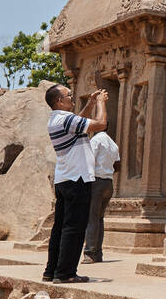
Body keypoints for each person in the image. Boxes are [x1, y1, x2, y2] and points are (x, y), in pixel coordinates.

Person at [43, 84, 107, 283]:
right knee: (75, 227)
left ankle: (51, 270)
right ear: (59, 101)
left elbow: (78, 121)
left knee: (60, 227)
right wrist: (102, 104)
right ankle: (66, 273)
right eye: (68, 95)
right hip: (77, 178)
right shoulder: (67, 120)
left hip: (64, 178)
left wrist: (90, 103)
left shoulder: (57, 120)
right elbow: (101, 124)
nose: (72, 97)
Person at [82, 129, 120, 264]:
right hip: (108, 183)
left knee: (92, 218)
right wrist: (106, 169)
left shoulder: (96, 140)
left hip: (96, 182)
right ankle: (98, 253)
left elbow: (88, 160)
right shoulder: (113, 144)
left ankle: (90, 253)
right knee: (99, 218)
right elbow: (118, 166)